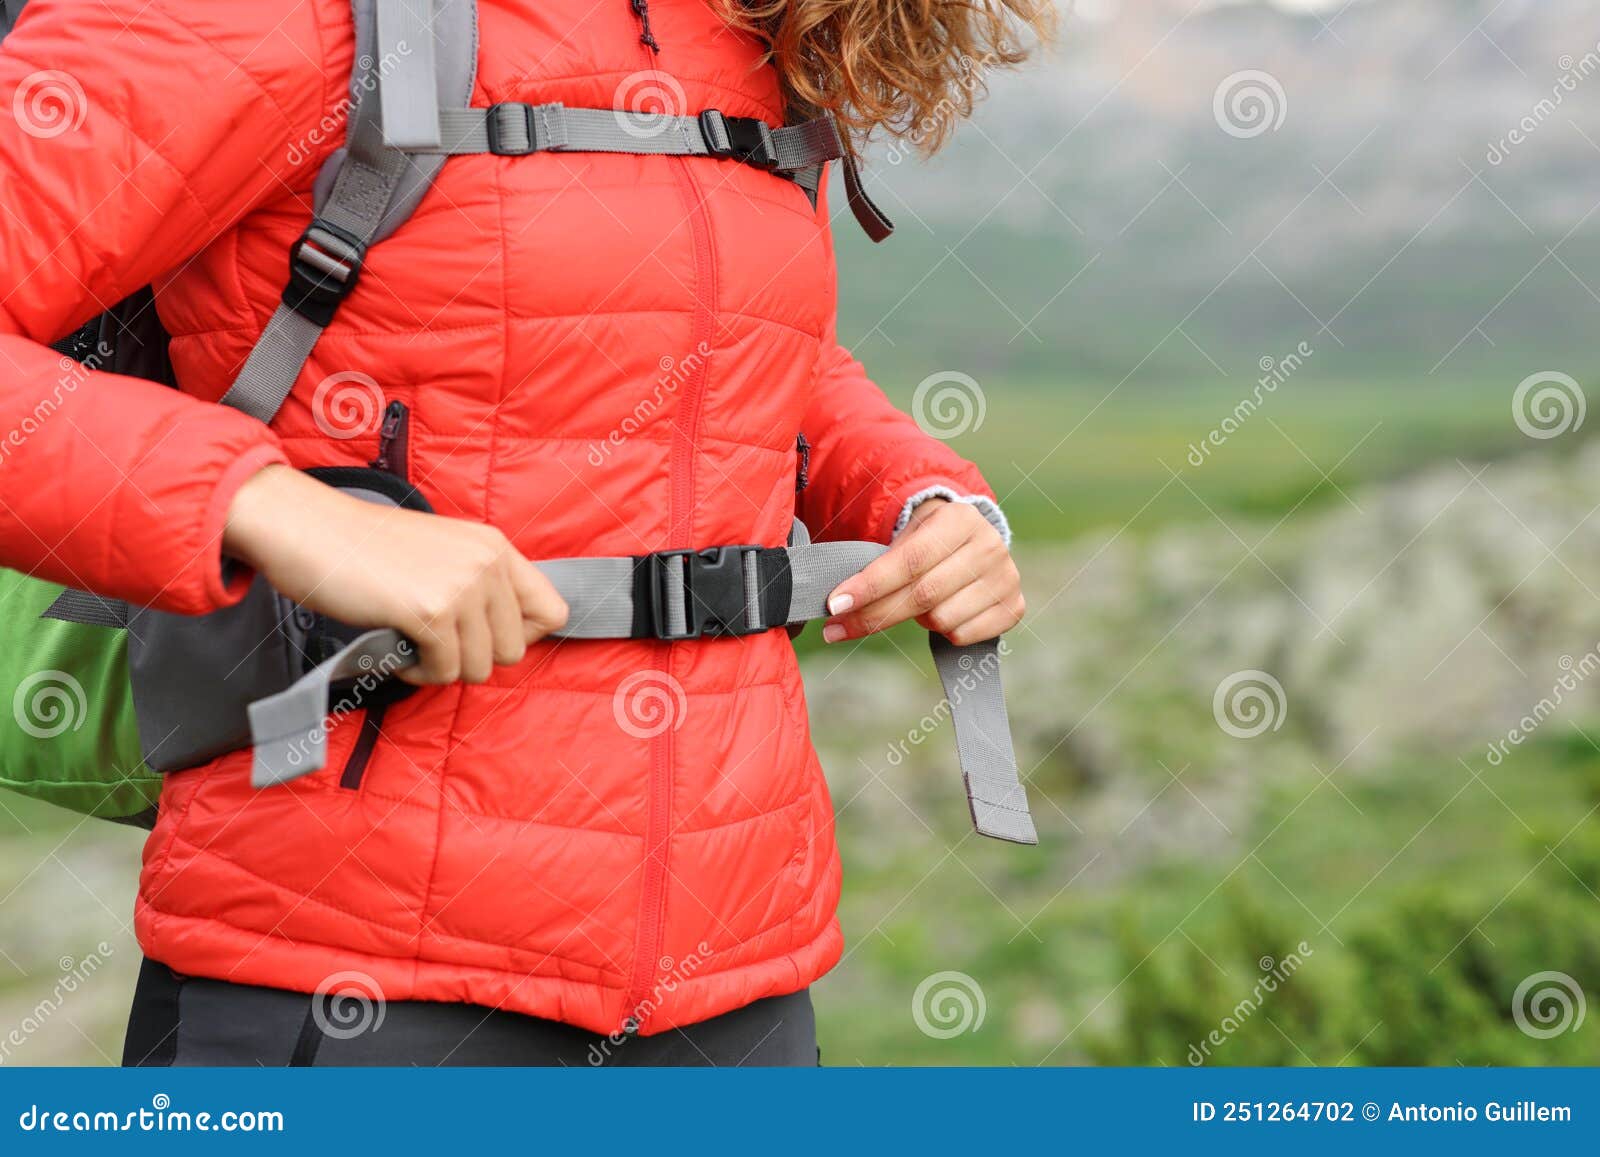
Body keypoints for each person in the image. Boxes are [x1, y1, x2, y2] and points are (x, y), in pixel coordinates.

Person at [0, 0, 1049, 1066]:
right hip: (349, 970)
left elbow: (741, 355)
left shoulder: (749, 32)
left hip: (735, 969)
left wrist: (923, 498)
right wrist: (268, 505)